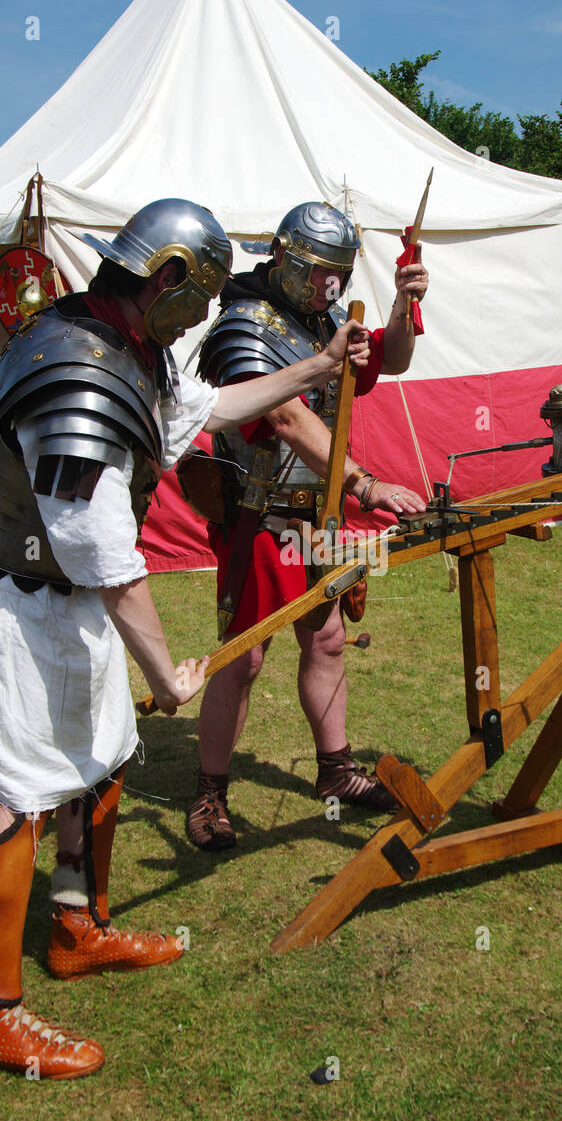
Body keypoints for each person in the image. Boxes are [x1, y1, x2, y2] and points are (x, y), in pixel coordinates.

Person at [0, 199, 362, 1078]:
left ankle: (77, 928)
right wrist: (165, 673)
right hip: (27, 600)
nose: (205, 316)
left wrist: (318, 365)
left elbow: (205, 408)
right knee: (22, 792)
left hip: (66, 595)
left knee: (100, 756)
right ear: (169, 278)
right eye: (200, 297)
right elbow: (99, 550)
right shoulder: (79, 372)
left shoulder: (120, 340)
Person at [187, 202, 429, 849]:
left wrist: (404, 304)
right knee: (243, 656)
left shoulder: (323, 321)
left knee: (324, 642)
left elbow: (393, 360)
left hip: (314, 518)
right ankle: (209, 792)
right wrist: (365, 484)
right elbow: (288, 420)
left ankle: (336, 773)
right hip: (259, 517)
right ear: (287, 259)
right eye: (320, 272)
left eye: (338, 274)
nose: (330, 286)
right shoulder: (244, 326)